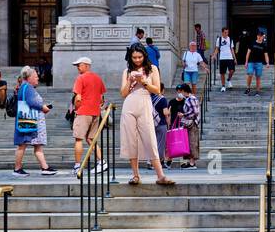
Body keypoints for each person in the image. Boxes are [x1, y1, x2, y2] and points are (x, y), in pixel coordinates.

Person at [119, 44, 175, 186]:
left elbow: (157, 90)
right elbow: (123, 94)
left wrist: (143, 82)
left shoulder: (153, 69)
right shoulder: (127, 71)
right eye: (134, 57)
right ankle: (135, 175)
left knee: (150, 138)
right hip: (130, 104)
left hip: (145, 102)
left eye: (140, 57)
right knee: (131, 140)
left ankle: (161, 175)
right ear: (130, 57)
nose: (137, 60)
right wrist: (130, 82)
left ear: (144, 56)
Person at [12, 66, 57, 177]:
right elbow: (31, 102)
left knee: (37, 145)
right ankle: (17, 169)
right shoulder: (27, 87)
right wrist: (43, 107)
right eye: (36, 76)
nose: (38, 78)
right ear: (29, 77)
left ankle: (45, 167)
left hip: (30, 120)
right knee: (22, 144)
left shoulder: (25, 87)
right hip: (28, 120)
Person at [71, 57, 107, 172]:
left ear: (86, 65)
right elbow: (101, 99)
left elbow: (78, 97)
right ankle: (101, 162)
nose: (77, 67)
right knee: (91, 139)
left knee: (78, 139)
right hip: (95, 112)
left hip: (83, 112)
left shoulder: (80, 78)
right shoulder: (98, 78)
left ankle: (77, 166)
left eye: (79, 65)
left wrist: (76, 109)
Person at [169, 81, 200, 168]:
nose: (180, 93)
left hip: (192, 123)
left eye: (181, 91)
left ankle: (192, 163)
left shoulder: (192, 99)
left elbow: (196, 112)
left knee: (192, 142)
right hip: (188, 123)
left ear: (184, 91)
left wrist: (184, 114)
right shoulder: (188, 99)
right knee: (188, 142)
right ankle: (190, 161)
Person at [243, 29, 271, 96]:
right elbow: (248, 53)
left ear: (262, 37)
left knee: (258, 77)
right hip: (251, 62)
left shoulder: (264, 45)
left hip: (259, 63)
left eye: (261, 36)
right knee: (250, 74)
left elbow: (266, 55)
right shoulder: (252, 43)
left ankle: (257, 91)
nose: (259, 37)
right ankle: (248, 88)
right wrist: (246, 62)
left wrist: (267, 63)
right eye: (258, 35)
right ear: (257, 36)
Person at [215, 27, 236, 91]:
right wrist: (214, 55)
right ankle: (223, 86)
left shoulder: (230, 39)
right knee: (222, 73)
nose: (226, 34)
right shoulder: (219, 39)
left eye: (227, 32)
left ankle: (229, 79)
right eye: (225, 32)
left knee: (232, 70)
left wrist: (235, 58)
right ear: (222, 32)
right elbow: (217, 49)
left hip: (230, 57)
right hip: (222, 58)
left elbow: (232, 49)